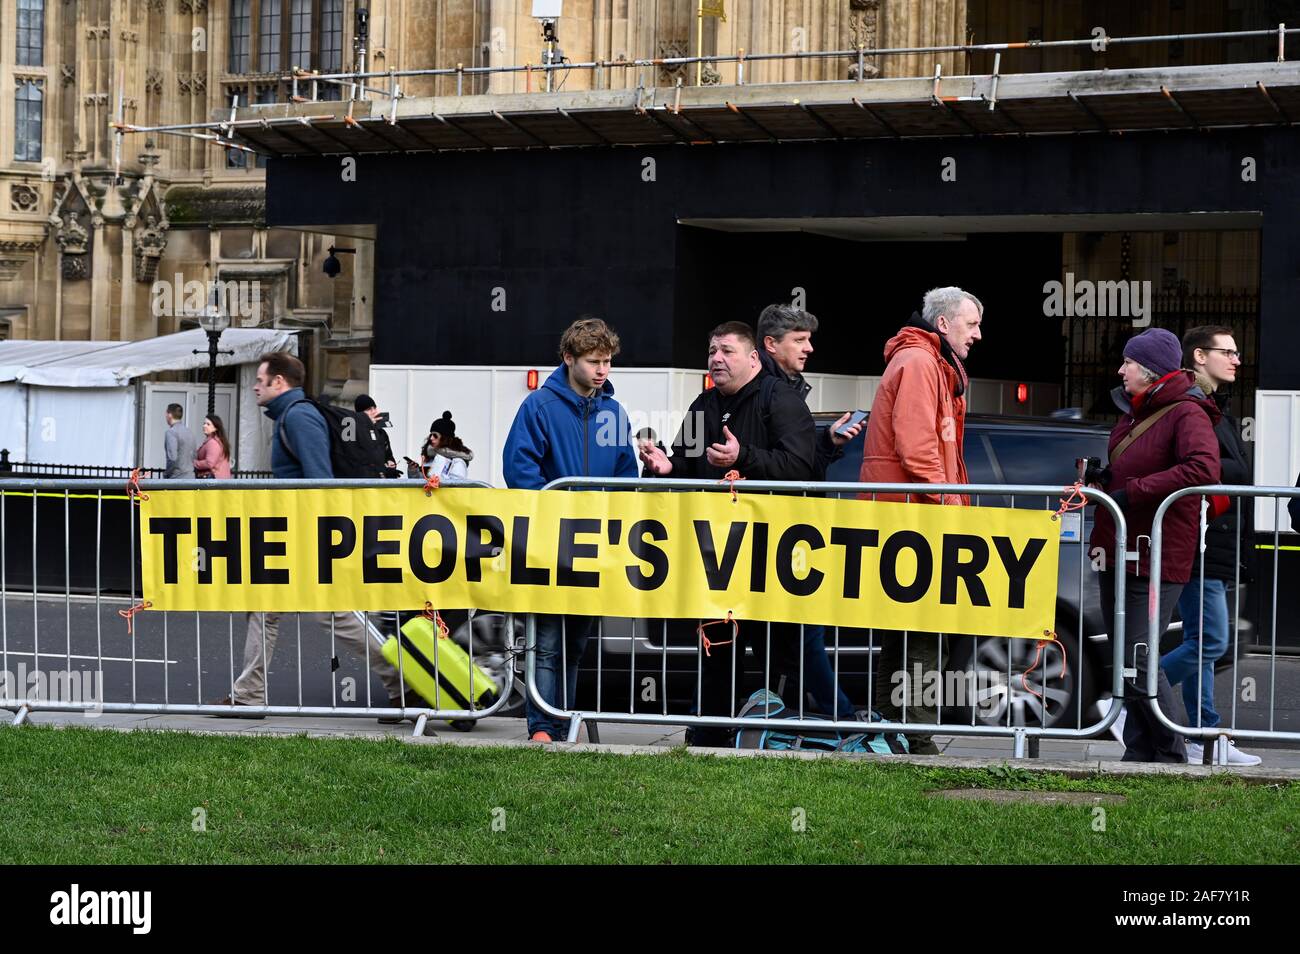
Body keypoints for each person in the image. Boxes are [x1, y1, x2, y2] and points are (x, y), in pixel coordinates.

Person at [641, 321, 817, 745]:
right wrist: (667, 466)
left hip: (770, 556)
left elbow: (801, 467)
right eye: (712, 351)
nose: (716, 359)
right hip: (717, 557)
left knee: (779, 653)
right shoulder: (703, 405)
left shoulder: (781, 401)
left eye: (727, 351)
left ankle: (779, 735)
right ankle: (712, 736)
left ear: (754, 357)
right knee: (718, 649)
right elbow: (684, 462)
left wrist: (746, 456)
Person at [212, 352, 413, 722]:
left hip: (309, 536)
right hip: (300, 534)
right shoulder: (291, 415)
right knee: (266, 608)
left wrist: (318, 539)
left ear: (280, 382)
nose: (255, 385)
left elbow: (320, 480)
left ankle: (404, 683)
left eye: (261, 378)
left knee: (335, 615)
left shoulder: (300, 416)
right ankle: (248, 695)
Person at [1088, 327, 1221, 763]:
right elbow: (1136, 467)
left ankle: (1171, 753)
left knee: (1139, 656)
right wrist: (1106, 481)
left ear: (1148, 370)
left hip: (1157, 551)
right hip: (1118, 548)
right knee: (1126, 657)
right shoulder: (1134, 410)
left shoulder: (1188, 413)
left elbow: (1202, 469)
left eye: (1127, 362)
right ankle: (1144, 750)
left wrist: (1135, 491)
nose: (1120, 369)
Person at [859, 287, 983, 753]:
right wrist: (950, 505)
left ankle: (892, 727)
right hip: (913, 517)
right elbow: (917, 448)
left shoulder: (925, 361)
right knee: (923, 630)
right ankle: (917, 735)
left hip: (908, 514)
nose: (977, 334)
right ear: (945, 324)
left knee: (905, 628)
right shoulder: (920, 363)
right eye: (971, 324)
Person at [503, 317, 638, 742]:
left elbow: (625, 473)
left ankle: (561, 723)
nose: (603, 370)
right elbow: (518, 467)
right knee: (546, 640)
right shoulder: (538, 407)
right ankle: (542, 727)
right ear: (568, 358)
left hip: (594, 540)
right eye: (594, 361)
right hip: (548, 539)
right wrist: (555, 508)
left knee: (576, 641)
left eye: (608, 362)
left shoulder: (614, 411)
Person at [757, 303, 865, 721]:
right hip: (779, 529)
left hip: (789, 529)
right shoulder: (767, 390)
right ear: (771, 344)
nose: (809, 349)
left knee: (798, 634)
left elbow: (799, 464)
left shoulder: (787, 387)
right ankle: (840, 718)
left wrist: (828, 443)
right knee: (803, 633)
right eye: (799, 340)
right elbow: (784, 465)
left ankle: (817, 716)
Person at [1160, 327, 1260, 765]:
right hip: (1197, 540)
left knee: (1203, 641)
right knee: (1212, 640)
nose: (1237, 359)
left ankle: (1205, 733)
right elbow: (1215, 471)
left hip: (1215, 541)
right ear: (1200, 356)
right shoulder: (1191, 407)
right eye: (1228, 352)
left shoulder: (1217, 407)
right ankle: (1133, 702)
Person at [355, 394, 399, 477]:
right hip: (365, 480)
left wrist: (390, 463)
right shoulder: (356, 432)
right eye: (369, 409)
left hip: (381, 480)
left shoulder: (381, 432)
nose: (374, 411)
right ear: (360, 414)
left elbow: (388, 455)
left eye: (374, 408)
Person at [420, 411, 474, 480]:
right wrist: (413, 471)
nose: (431, 438)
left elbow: (457, 484)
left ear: (445, 438)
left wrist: (437, 479)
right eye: (431, 435)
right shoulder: (430, 456)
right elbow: (421, 480)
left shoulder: (458, 461)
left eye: (435, 436)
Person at [163, 403, 197, 479]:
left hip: (176, 478)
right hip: (191, 477)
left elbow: (172, 458)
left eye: (166, 413)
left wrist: (166, 473)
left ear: (169, 415)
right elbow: (194, 455)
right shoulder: (189, 432)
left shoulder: (171, 432)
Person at [193, 414, 232, 479]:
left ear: (215, 428)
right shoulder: (214, 441)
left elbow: (209, 463)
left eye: (208, 424)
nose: (204, 426)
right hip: (217, 480)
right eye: (204, 423)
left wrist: (194, 463)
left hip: (213, 481)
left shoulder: (213, 443)